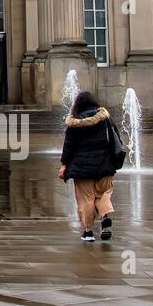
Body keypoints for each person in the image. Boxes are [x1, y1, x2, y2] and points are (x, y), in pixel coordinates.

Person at [59, 90, 119, 242]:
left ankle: (88, 232)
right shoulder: (105, 119)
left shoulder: (75, 123)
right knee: (104, 193)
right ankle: (105, 216)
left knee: (86, 199)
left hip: (82, 167)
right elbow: (115, 137)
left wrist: (64, 164)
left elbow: (69, 146)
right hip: (104, 164)